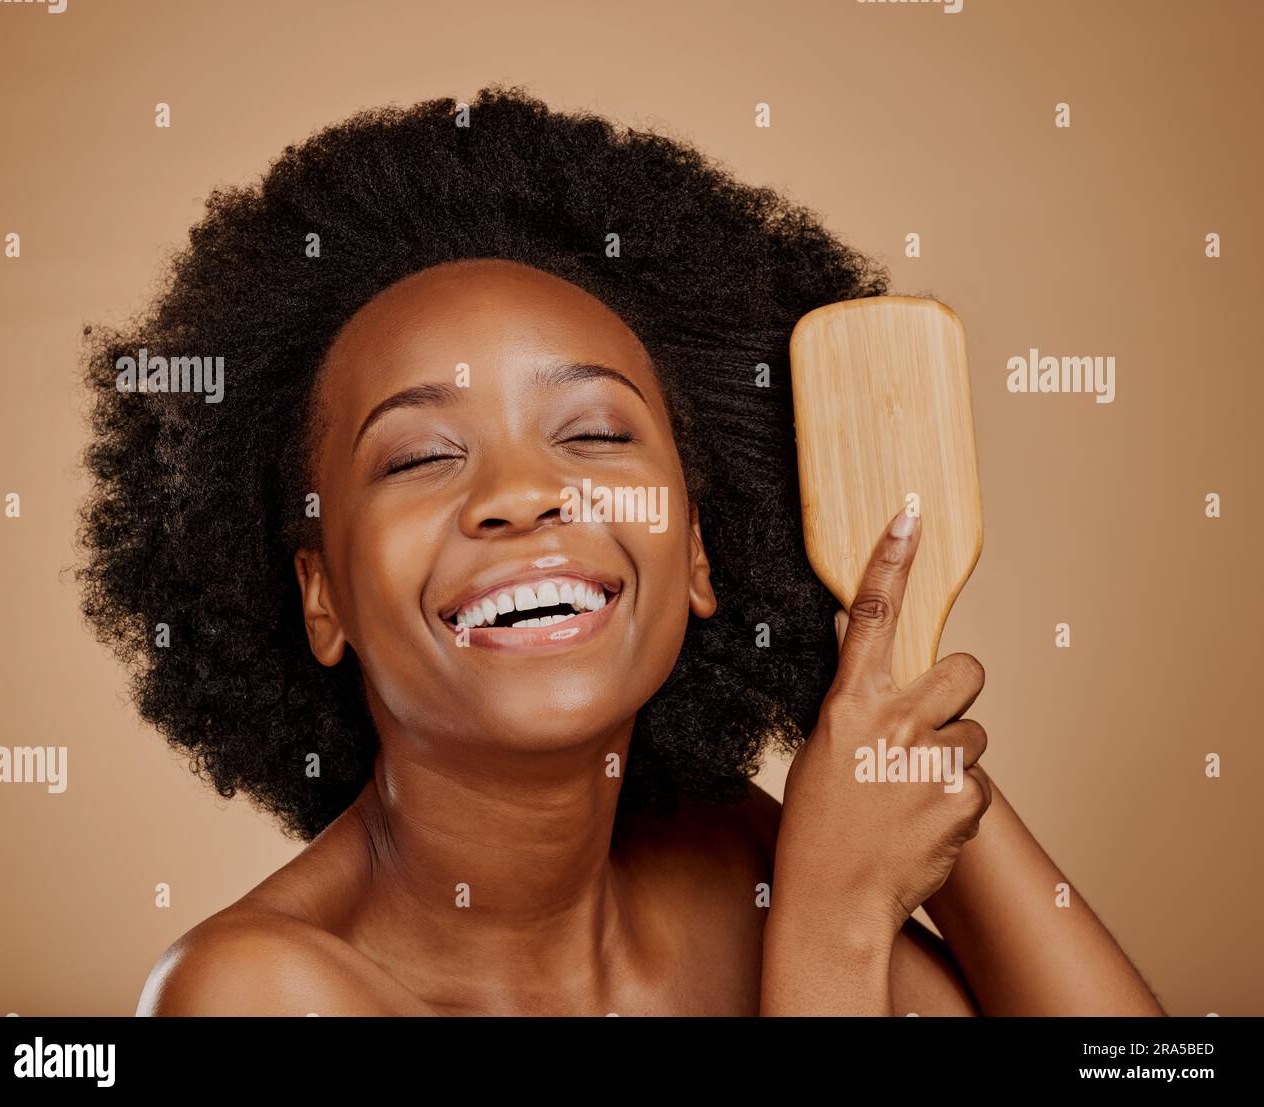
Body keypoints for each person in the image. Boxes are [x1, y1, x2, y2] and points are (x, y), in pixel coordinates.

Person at [76, 84, 1164, 1015]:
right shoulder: (253, 992)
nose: (521, 495)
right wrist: (834, 923)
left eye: (593, 434)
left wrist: (879, 683)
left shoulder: (735, 859)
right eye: (420, 456)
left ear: (700, 549)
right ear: (321, 596)